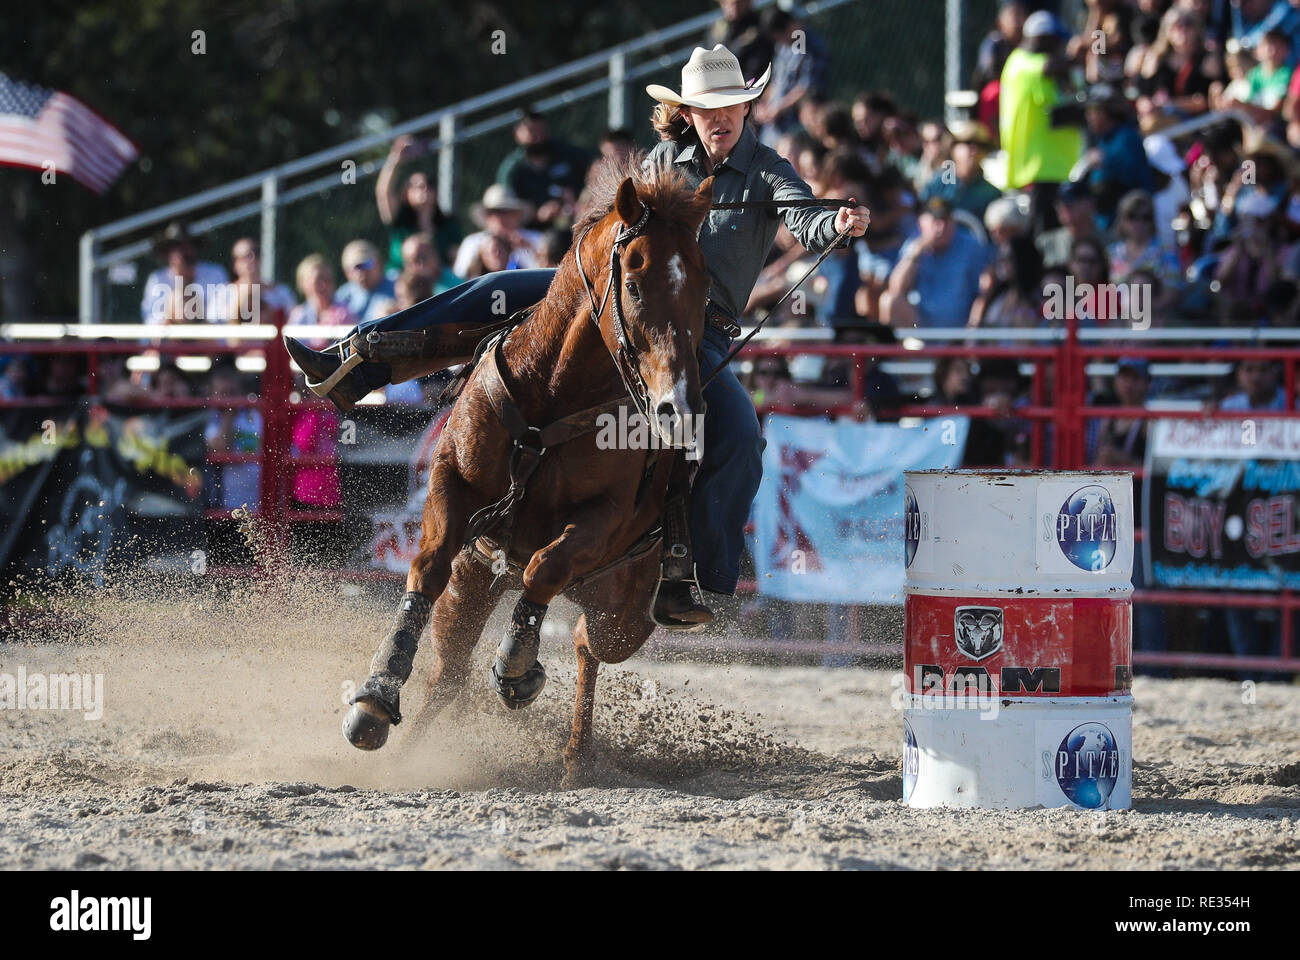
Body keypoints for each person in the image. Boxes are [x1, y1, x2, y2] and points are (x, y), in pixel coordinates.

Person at [283, 43, 869, 628]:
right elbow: (612, 231)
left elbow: (805, 217)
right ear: (687, 112)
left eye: (731, 105)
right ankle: (359, 360)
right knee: (493, 289)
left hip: (691, 331)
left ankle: (690, 574)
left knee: (739, 434)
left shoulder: (770, 172)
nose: (720, 117)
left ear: (747, 108)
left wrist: (835, 224)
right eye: (706, 107)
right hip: (608, 297)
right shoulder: (664, 162)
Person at [1000, 10, 1081, 231]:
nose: (1058, 48)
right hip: (1041, 168)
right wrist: (1078, 56)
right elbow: (1049, 68)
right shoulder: (1025, 64)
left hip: (1048, 168)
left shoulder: (1019, 61)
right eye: (1056, 42)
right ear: (1043, 39)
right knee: (1046, 236)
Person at [880, 195, 991, 327]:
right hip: (920, 328)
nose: (941, 227)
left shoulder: (971, 248)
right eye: (936, 221)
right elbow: (896, 288)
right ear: (921, 223)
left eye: (946, 221)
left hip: (960, 329)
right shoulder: (913, 246)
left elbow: (983, 293)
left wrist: (972, 330)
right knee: (889, 300)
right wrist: (914, 254)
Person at [376, 136, 462, 272]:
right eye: (415, 186)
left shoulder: (448, 226)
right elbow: (384, 193)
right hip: (402, 283)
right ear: (406, 194)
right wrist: (396, 158)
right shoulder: (400, 223)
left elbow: (458, 261)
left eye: (429, 185)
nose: (424, 188)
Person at [495, 111, 591, 230]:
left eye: (541, 130)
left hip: (574, 223)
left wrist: (577, 202)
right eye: (531, 131)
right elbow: (505, 204)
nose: (537, 136)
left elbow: (593, 172)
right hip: (528, 232)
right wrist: (537, 215)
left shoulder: (569, 155)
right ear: (517, 134)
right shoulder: (512, 168)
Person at [140, 222, 228, 322]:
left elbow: (221, 316)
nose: (181, 252)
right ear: (167, 253)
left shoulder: (215, 273)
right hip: (172, 334)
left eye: (186, 245)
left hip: (207, 334)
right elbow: (149, 318)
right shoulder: (156, 279)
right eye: (175, 247)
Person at [452, 185, 543, 277]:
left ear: (518, 214)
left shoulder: (537, 239)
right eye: (496, 212)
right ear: (486, 216)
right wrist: (480, 256)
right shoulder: (473, 243)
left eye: (508, 211)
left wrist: (529, 249)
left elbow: (547, 275)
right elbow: (461, 277)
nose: (502, 217)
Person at [920, 121, 1003, 220]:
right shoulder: (937, 185)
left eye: (981, 145)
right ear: (953, 148)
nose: (974, 150)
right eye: (967, 143)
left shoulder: (991, 193)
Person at [335, 240, 396, 323]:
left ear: (379, 264)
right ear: (347, 273)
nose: (363, 271)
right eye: (357, 267)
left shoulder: (397, 287)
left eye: (367, 264)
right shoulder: (342, 296)